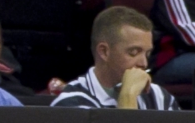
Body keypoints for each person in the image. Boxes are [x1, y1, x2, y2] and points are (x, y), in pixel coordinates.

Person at [52, 6, 180, 109]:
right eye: (133, 52)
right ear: (104, 52)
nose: (144, 63)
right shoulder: (71, 104)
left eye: (147, 54)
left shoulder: (159, 98)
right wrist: (128, 96)